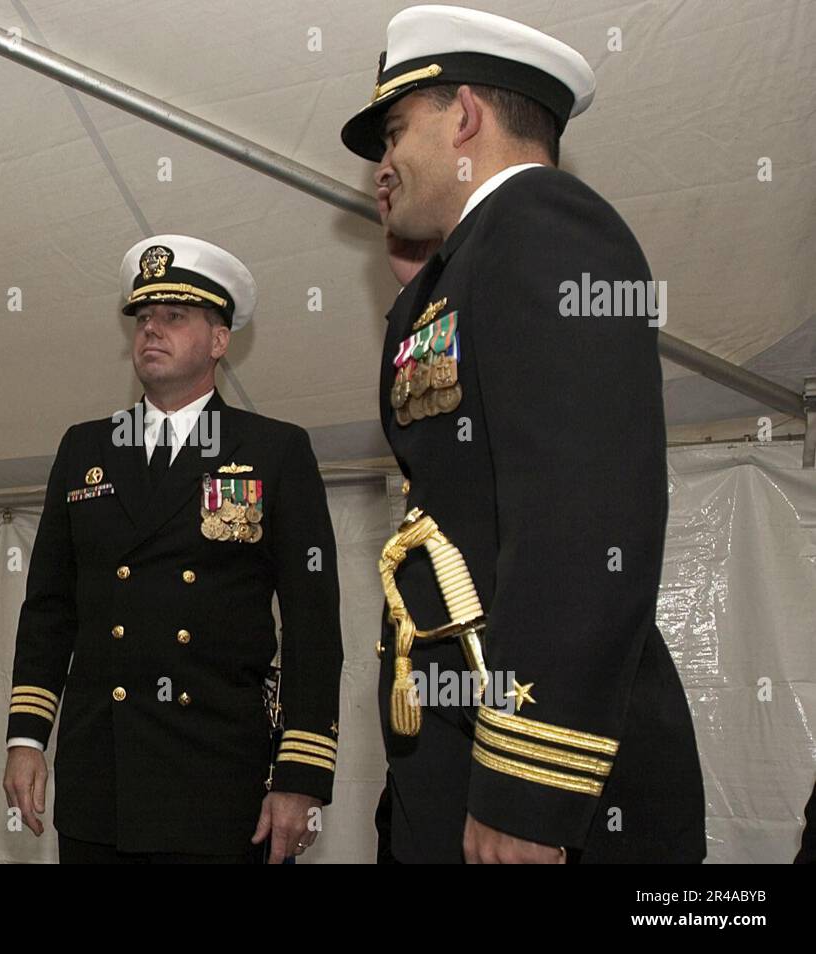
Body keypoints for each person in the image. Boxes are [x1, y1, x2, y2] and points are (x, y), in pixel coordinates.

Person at [339, 4, 705, 862]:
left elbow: (582, 519)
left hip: (539, 781)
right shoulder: (475, 258)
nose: (383, 166)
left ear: (463, 116)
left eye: (395, 131)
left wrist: (528, 787)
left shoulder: (547, 224)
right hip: (455, 749)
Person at [3, 235, 344, 863]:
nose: (151, 330)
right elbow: (49, 607)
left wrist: (300, 776)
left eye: (174, 317)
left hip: (216, 782)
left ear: (219, 340)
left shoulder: (273, 450)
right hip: (101, 777)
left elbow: (312, 626)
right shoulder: (85, 448)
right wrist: (26, 736)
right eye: (143, 318)